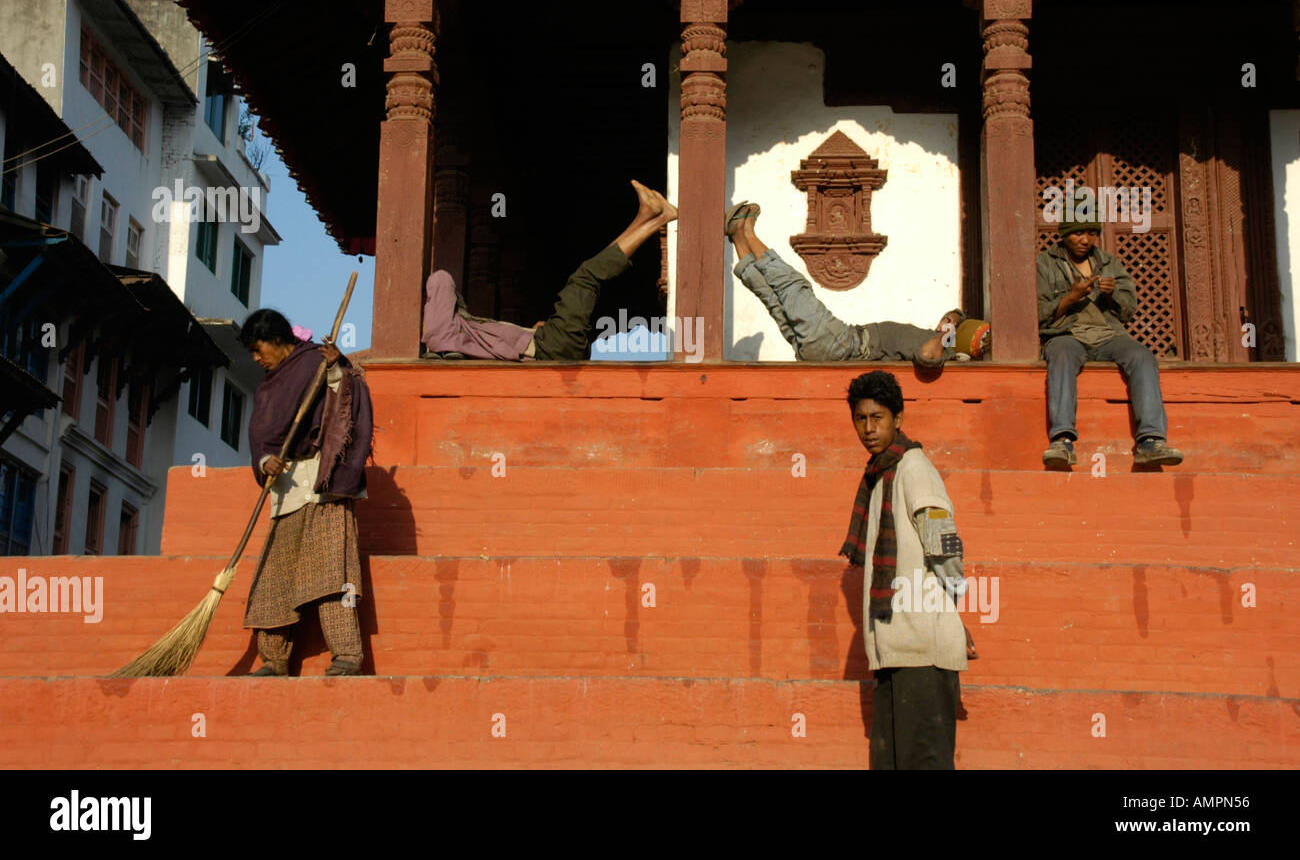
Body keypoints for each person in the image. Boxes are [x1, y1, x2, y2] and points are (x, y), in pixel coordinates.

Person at [839, 370, 969, 769]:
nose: (869, 428)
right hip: (896, 647)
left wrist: (954, 603)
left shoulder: (912, 466)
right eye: (861, 419)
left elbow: (942, 539)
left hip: (922, 650)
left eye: (877, 417)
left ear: (899, 418)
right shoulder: (879, 475)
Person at [239, 309, 374, 676]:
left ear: (278, 339)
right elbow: (261, 438)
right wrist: (266, 460)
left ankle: (347, 656)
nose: (256, 357)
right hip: (285, 493)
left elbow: (346, 400)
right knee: (273, 581)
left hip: (323, 484)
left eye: (258, 348)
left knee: (333, 576)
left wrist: (334, 368)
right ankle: (274, 660)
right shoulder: (269, 385)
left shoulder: (317, 361)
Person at [421, 180, 677, 360]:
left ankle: (652, 217)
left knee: (591, 272)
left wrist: (529, 332)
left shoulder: (464, 333)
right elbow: (441, 279)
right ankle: (655, 218)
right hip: (549, 346)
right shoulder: (445, 335)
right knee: (586, 277)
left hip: (547, 343)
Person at [726, 202, 990, 366]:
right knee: (773, 299)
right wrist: (947, 329)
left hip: (842, 343)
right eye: (948, 317)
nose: (946, 321)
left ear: (957, 337)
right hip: (829, 348)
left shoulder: (942, 349)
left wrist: (947, 338)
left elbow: (927, 356)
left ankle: (748, 231)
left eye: (953, 323)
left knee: (793, 286)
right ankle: (737, 234)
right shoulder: (932, 336)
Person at [1037, 213, 1183, 467]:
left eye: (1092, 233)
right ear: (1064, 234)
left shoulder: (1108, 263)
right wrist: (1071, 297)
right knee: (1060, 355)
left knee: (1142, 356)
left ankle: (1151, 440)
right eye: (1078, 233)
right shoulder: (1044, 263)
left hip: (1108, 336)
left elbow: (1128, 311)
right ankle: (1062, 440)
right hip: (1066, 335)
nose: (1085, 240)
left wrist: (1113, 292)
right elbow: (1037, 314)